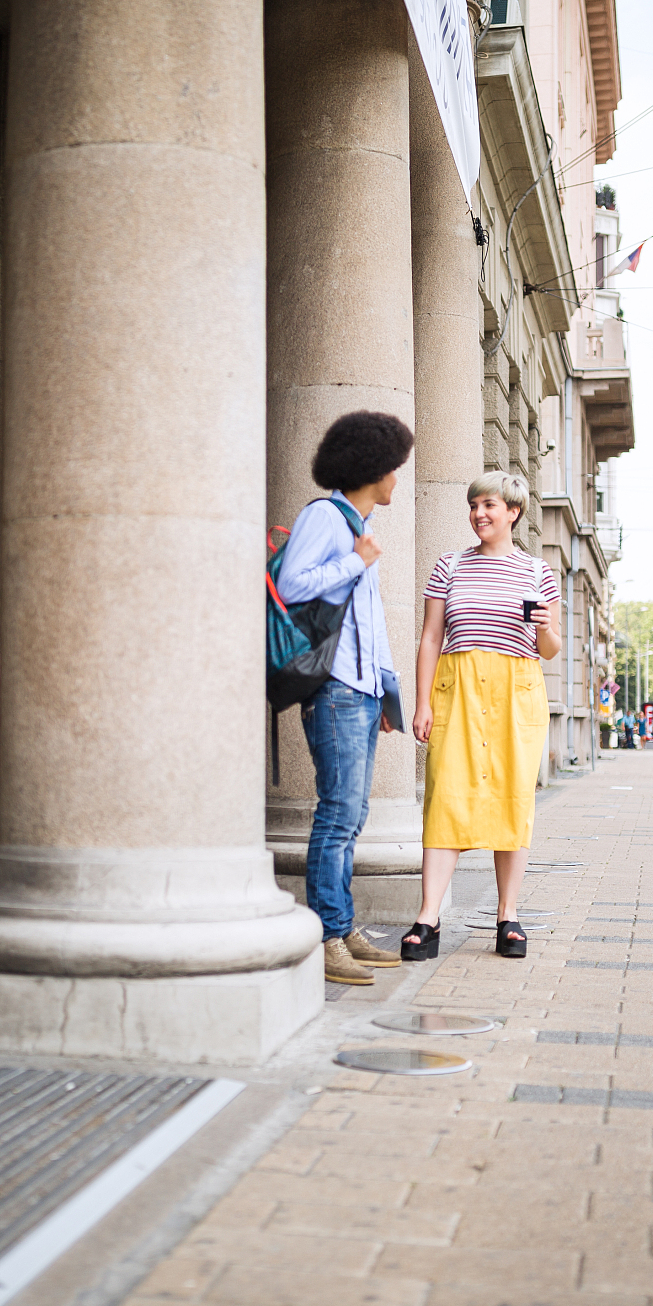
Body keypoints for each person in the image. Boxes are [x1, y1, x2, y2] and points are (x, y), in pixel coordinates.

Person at [276, 410, 415, 986]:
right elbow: (291, 585)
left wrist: (383, 690)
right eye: (394, 466)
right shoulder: (325, 519)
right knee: (337, 814)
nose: (398, 477)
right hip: (333, 691)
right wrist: (356, 561)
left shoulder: (358, 527)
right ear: (374, 467)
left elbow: (368, 625)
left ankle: (342, 925)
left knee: (353, 815)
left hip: (359, 692)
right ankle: (327, 936)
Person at [401, 472, 561, 962]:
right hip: (459, 692)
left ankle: (508, 917)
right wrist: (423, 702)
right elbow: (431, 637)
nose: (478, 514)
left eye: (489, 505)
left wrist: (546, 627)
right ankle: (428, 918)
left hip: (517, 694)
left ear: (513, 512)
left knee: (512, 802)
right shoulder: (448, 566)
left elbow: (550, 649)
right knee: (445, 799)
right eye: (474, 505)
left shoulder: (538, 573)